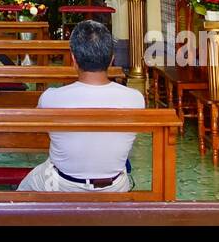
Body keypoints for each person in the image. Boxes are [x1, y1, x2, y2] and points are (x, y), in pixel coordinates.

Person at [17, 20, 145, 193]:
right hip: (115, 187)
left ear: (74, 60)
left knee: (24, 190)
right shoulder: (135, 99)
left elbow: (41, 129)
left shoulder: (51, 98)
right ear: (111, 59)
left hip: (62, 185)